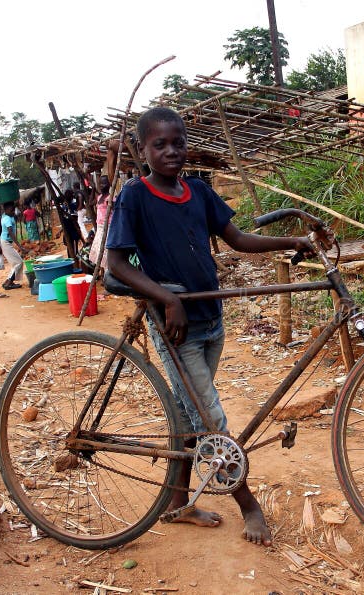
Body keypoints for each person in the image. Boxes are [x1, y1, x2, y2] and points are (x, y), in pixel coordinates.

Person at [107, 106, 327, 547]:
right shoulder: (135, 196)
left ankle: (176, 503)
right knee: (212, 420)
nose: (172, 151)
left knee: (190, 414)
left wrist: (294, 241)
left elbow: (239, 239)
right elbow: (114, 263)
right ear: (143, 149)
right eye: (160, 144)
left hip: (210, 320)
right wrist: (166, 297)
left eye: (178, 142)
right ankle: (249, 506)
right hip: (175, 327)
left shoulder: (199, 192)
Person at [0, 201, 24, 289]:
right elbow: (10, 232)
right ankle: (9, 282)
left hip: (6, 243)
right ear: (5, 210)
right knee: (19, 262)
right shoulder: (6, 218)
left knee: (16, 262)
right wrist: (20, 246)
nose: (13, 212)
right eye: (11, 210)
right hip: (5, 243)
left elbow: (19, 216)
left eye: (13, 210)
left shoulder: (8, 216)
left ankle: (8, 281)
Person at [89, 174, 111, 269]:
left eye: (104, 183)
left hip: (108, 228)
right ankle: (103, 273)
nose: (102, 186)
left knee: (105, 251)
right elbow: (90, 203)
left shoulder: (110, 198)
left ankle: (107, 272)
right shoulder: (99, 197)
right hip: (100, 227)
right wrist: (93, 188)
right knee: (99, 251)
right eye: (100, 184)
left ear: (109, 185)